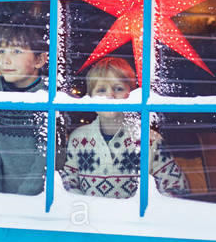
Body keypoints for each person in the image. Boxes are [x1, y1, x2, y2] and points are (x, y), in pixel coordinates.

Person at [60, 57, 189, 199]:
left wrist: (143, 211)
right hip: (91, 218)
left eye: (118, 89)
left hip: (135, 219)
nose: (110, 96)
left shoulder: (149, 139)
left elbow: (175, 188)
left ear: (131, 96)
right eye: (101, 90)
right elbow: (67, 183)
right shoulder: (77, 139)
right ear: (90, 98)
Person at [0, 13, 48, 195]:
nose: (5, 60)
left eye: (16, 52)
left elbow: (45, 161)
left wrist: (21, 203)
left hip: (38, 202)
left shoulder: (48, 99)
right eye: (2, 51)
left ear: (39, 60)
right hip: (0, 204)